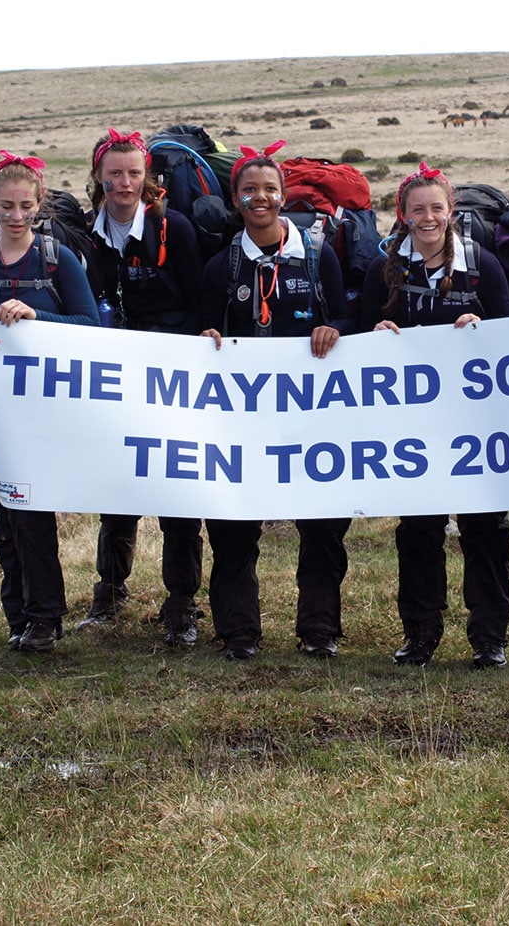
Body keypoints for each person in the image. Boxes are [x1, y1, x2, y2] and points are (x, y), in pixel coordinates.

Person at [198, 141, 355, 660]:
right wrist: (207, 339)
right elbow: (206, 331)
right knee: (232, 526)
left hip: (311, 416)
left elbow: (344, 317)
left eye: (269, 189)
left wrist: (335, 330)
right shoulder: (222, 267)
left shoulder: (317, 256)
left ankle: (319, 630)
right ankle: (239, 633)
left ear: (284, 196)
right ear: (235, 199)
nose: (260, 198)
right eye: (249, 190)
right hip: (242, 421)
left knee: (323, 524)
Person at [359, 163, 509, 669]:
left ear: (451, 212)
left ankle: (489, 637)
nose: (428, 218)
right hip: (413, 427)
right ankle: (420, 633)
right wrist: (375, 332)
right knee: (418, 530)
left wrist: (484, 326)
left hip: (475, 423)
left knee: (484, 528)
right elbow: (359, 336)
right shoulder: (383, 269)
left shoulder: (482, 264)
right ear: (402, 215)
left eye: (436, 208)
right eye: (417, 210)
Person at [0, 150, 99, 651]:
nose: (16, 216)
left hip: (46, 410)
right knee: (4, 514)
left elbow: (88, 325)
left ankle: (45, 619)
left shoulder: (58, 261)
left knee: (30, 509)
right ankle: (18, 617)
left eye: (26, 206)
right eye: (7, 206)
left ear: (40, 204)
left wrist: (37, 318)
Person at [74, 128, 208, 648]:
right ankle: (109, 594)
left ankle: (182, 604)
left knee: (177, 493)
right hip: (114, 382)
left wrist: (163, 348)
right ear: (98, 177)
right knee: (117, 487)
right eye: (115, 174)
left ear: (146, 176)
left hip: (172, 381)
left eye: (134, 173)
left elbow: (199, 306)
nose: (125, 183)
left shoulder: (174, 228)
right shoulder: (86, 237)